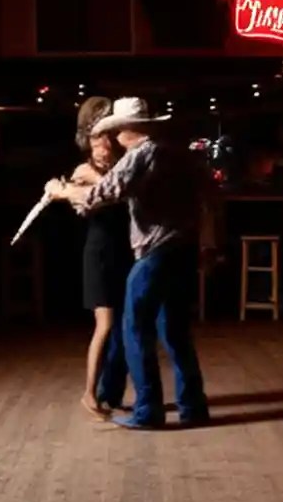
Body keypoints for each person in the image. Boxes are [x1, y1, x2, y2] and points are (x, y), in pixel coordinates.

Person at [50, 97, 222, 430]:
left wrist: (61, 190)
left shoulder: (140, 157)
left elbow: (97, 196)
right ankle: (193, 406)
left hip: (155, 254)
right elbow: (209, 196)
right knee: (175, 332)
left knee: (133, 329)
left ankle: (148, 410)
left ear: (124, 129)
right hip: (183, 250)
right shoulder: (176, 154)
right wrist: (209, 243)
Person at [67, 97, 131, 420]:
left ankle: (111, 393)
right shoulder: (83, 170)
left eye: (107, 135)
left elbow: (121, 191)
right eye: (96, 137)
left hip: (123, 252)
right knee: (104, 325)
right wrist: (72, 189)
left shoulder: (123, 167)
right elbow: (81, 204)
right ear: (87, 139)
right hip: (99, 255)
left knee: (123, 328)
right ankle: (89, 393)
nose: (104, 143)